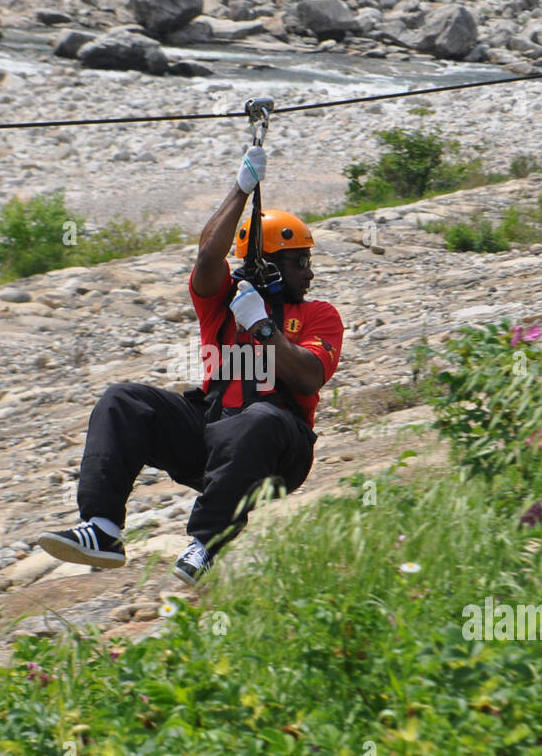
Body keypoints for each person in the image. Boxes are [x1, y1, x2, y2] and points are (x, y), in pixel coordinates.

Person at [37, 145, 345, 585]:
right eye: (301, 262)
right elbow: (207, 258)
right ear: (270, 268)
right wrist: (241, 189)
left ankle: (206, 542)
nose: (310, 274)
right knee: (122, 400)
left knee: (258, 418)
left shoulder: (319, 315)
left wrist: (261, 327)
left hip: (278, 452)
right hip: (214, 438)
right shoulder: (224, 302)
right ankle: (103, 528)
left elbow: (308, 375)